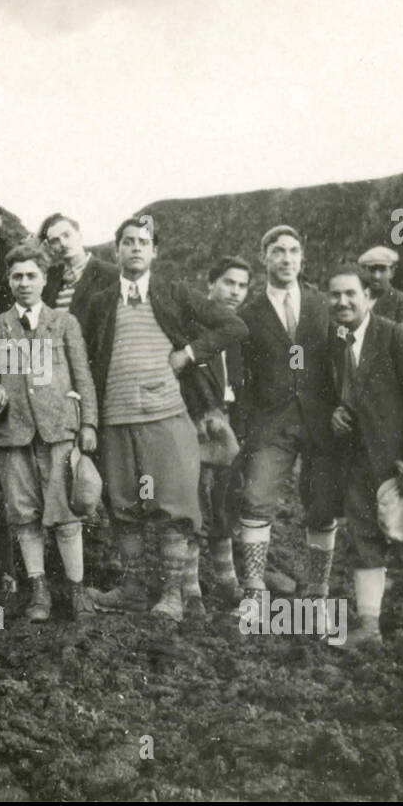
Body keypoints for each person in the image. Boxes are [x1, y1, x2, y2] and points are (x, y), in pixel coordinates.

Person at [81, 216, 248, 621]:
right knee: (124, 505)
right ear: (115, 250)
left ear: (155, 250)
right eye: (128, 241)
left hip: (167, 417)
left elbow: (233, 326)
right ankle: (133, 589)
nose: (136, 247)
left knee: (173, 505)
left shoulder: (174, 293)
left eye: (144, 241)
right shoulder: (100, 301)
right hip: (116, 419)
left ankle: (172, 595)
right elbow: (82, 356)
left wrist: (188, 354)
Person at [325, 264, 403, 659]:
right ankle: (368, 630)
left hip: (401, 461)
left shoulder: (395, 336)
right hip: (360, 460)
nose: (342, 301)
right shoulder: (337, 340)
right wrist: (338, 413)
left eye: (350, 294)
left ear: (367, 297)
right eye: (335, 295)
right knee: (363, 540)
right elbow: (349, 392)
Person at [0, 245, 98, 621]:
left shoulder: (64, 322)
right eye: (17, 276)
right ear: (8, 282)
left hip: (58, 430)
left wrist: (89, 423)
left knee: (66, 512)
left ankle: (77, 591)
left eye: (31, 275)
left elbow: (83, 376)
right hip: (11, 434)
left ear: (44, 279)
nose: (24, 283)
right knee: (24, 514)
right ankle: (39, 590)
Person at [235, 225, 340, 614]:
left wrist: (343, 410)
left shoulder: (322, 305)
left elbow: (341, 362)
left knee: (322, 506)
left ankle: (318, 588)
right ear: (264, 257)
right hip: (271, 425)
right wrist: (247, 425)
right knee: (256, 500)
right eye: (278, 251)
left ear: (302, 257)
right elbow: (241, 376)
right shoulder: (249, 314)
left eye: (294, 251)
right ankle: (254, 588)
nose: (287, 259)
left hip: (320, 422)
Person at [195, 256, 251, 599]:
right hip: (200, 422)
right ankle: (188, 586)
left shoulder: (239, 330)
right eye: (229, 282)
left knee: (225, 499)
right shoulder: (194, 327)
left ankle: (225, 577)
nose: (235, 291)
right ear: (211, 283)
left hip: (229, 421)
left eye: (242, 285)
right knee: (196, 498)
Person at [38, 212, 120, 321]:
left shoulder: (110, 274)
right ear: (51, 247)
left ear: (79, 236)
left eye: (67, 235)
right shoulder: (49, 277)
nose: (63, 243)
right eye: (55, 241)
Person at [357, 245, 403, 347]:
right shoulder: (357, 299)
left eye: (382, 270)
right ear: (365, 271)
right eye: (372, 270)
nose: (376, 276)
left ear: (392, 272)